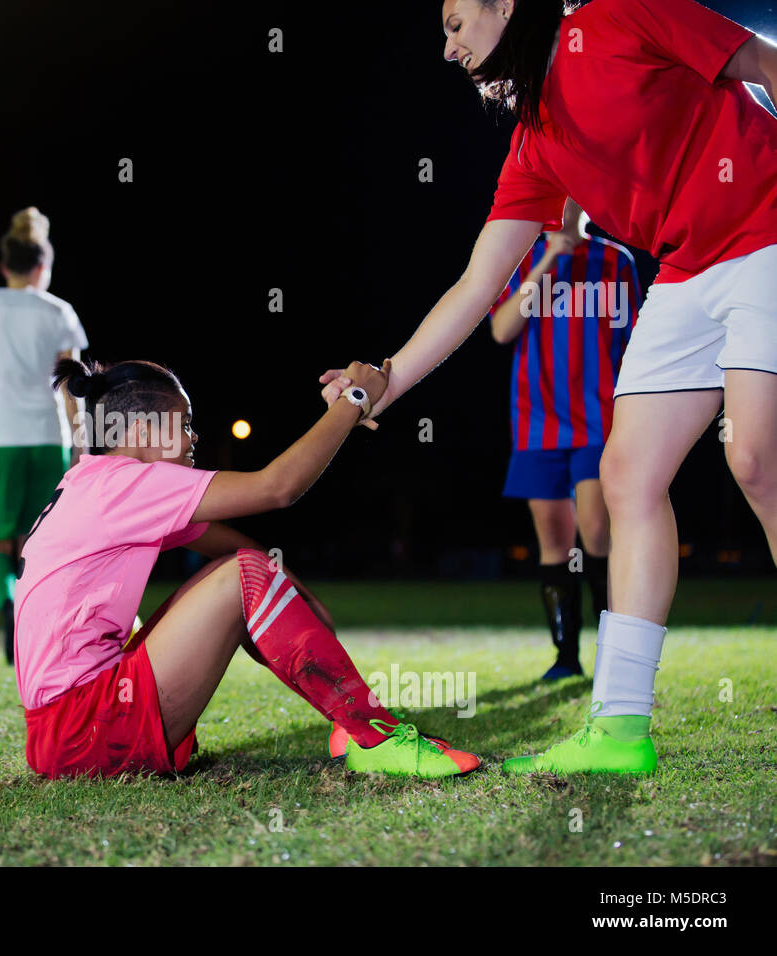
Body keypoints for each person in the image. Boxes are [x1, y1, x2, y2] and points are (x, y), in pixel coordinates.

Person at [323, 0, 777, 774]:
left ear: (508, 4)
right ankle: (619, 732)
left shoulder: (611, 21)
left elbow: (762, 61)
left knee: (756, 461)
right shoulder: (535, 148)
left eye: (457, 24)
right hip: (685, 269)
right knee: (630, 475)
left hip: (766, 224)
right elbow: (476, 289)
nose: (447, 48)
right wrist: (389, 379)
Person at [14, 355, 482, 780]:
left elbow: (222, 543)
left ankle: (350, 724)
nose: (194, 437)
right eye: (184, 423)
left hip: (64, 732)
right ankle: (375, 736)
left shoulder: (90, 483)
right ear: (140, 431)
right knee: (244, 573)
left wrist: (292, 593)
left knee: (241, 570)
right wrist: (353, 401)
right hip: (85, 730)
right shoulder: (124, 483)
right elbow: (278, 488)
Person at [488, 197, 639, 680]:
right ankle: (566, 659)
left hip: (600, 419)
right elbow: (502, 329)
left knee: (597, 534)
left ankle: (614, 659)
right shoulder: (522, 257)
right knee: (554, 543)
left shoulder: (617, 260)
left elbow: (634, 342)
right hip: (538, 421)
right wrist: (553, 255)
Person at [0, 207, 87, 664]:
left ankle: (8, 603)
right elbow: (73, 384)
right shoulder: (60, 312)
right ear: (43, 267)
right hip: (47, 437)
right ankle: (32, 624)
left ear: (4, 265)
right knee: (36, 542)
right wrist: (79, 442)